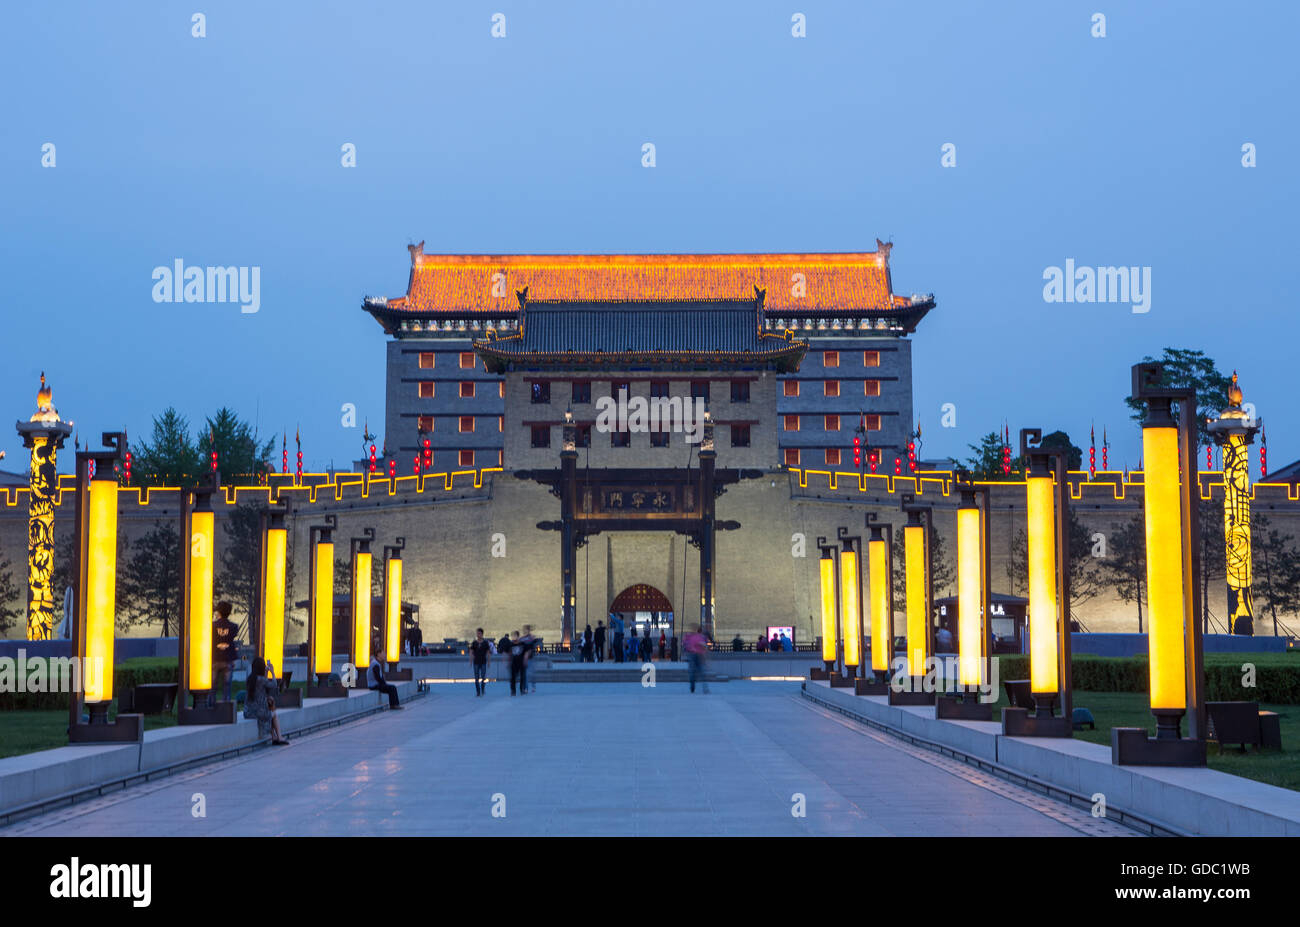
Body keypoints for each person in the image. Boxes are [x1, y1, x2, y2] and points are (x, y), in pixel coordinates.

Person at [243, 656, 288, 744]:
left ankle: (274, 737)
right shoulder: (261, 679)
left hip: (248, 712)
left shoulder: (250, 679)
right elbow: (274, 685)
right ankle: (279, 737)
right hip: (258, 712)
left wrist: (265, 673)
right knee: (273, 714)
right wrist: (272, 672)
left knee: (270, 705)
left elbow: (261, 689)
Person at [210, 600, 239, 707]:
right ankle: (225, 706)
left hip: (215, 657)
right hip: (228, 658)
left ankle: (211, 705)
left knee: (213, 685)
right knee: (227, 685)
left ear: (218, 612)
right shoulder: (234, 626)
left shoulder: (212, 626)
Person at [683, 625, 710, 694]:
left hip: (695, 655)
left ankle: (695, 686)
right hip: (695, 655)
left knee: (695, 672)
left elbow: (685, 644)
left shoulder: (696, 637)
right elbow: (704, 645)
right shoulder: (695, 637)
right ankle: (697, 686)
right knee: (699, 672)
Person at [469, 627, 492, 696]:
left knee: (483, 677)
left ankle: (482, 689)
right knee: (476, 677)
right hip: (476, 662)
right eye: (477, 633)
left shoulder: (485, 643)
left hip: (483, 662)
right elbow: (471, 652)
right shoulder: (474, 643)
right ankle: (478, 691)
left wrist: (488, 661)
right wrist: (471, 661)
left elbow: (488, 653)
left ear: (482, 634)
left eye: (479, 633)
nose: (478, 635)